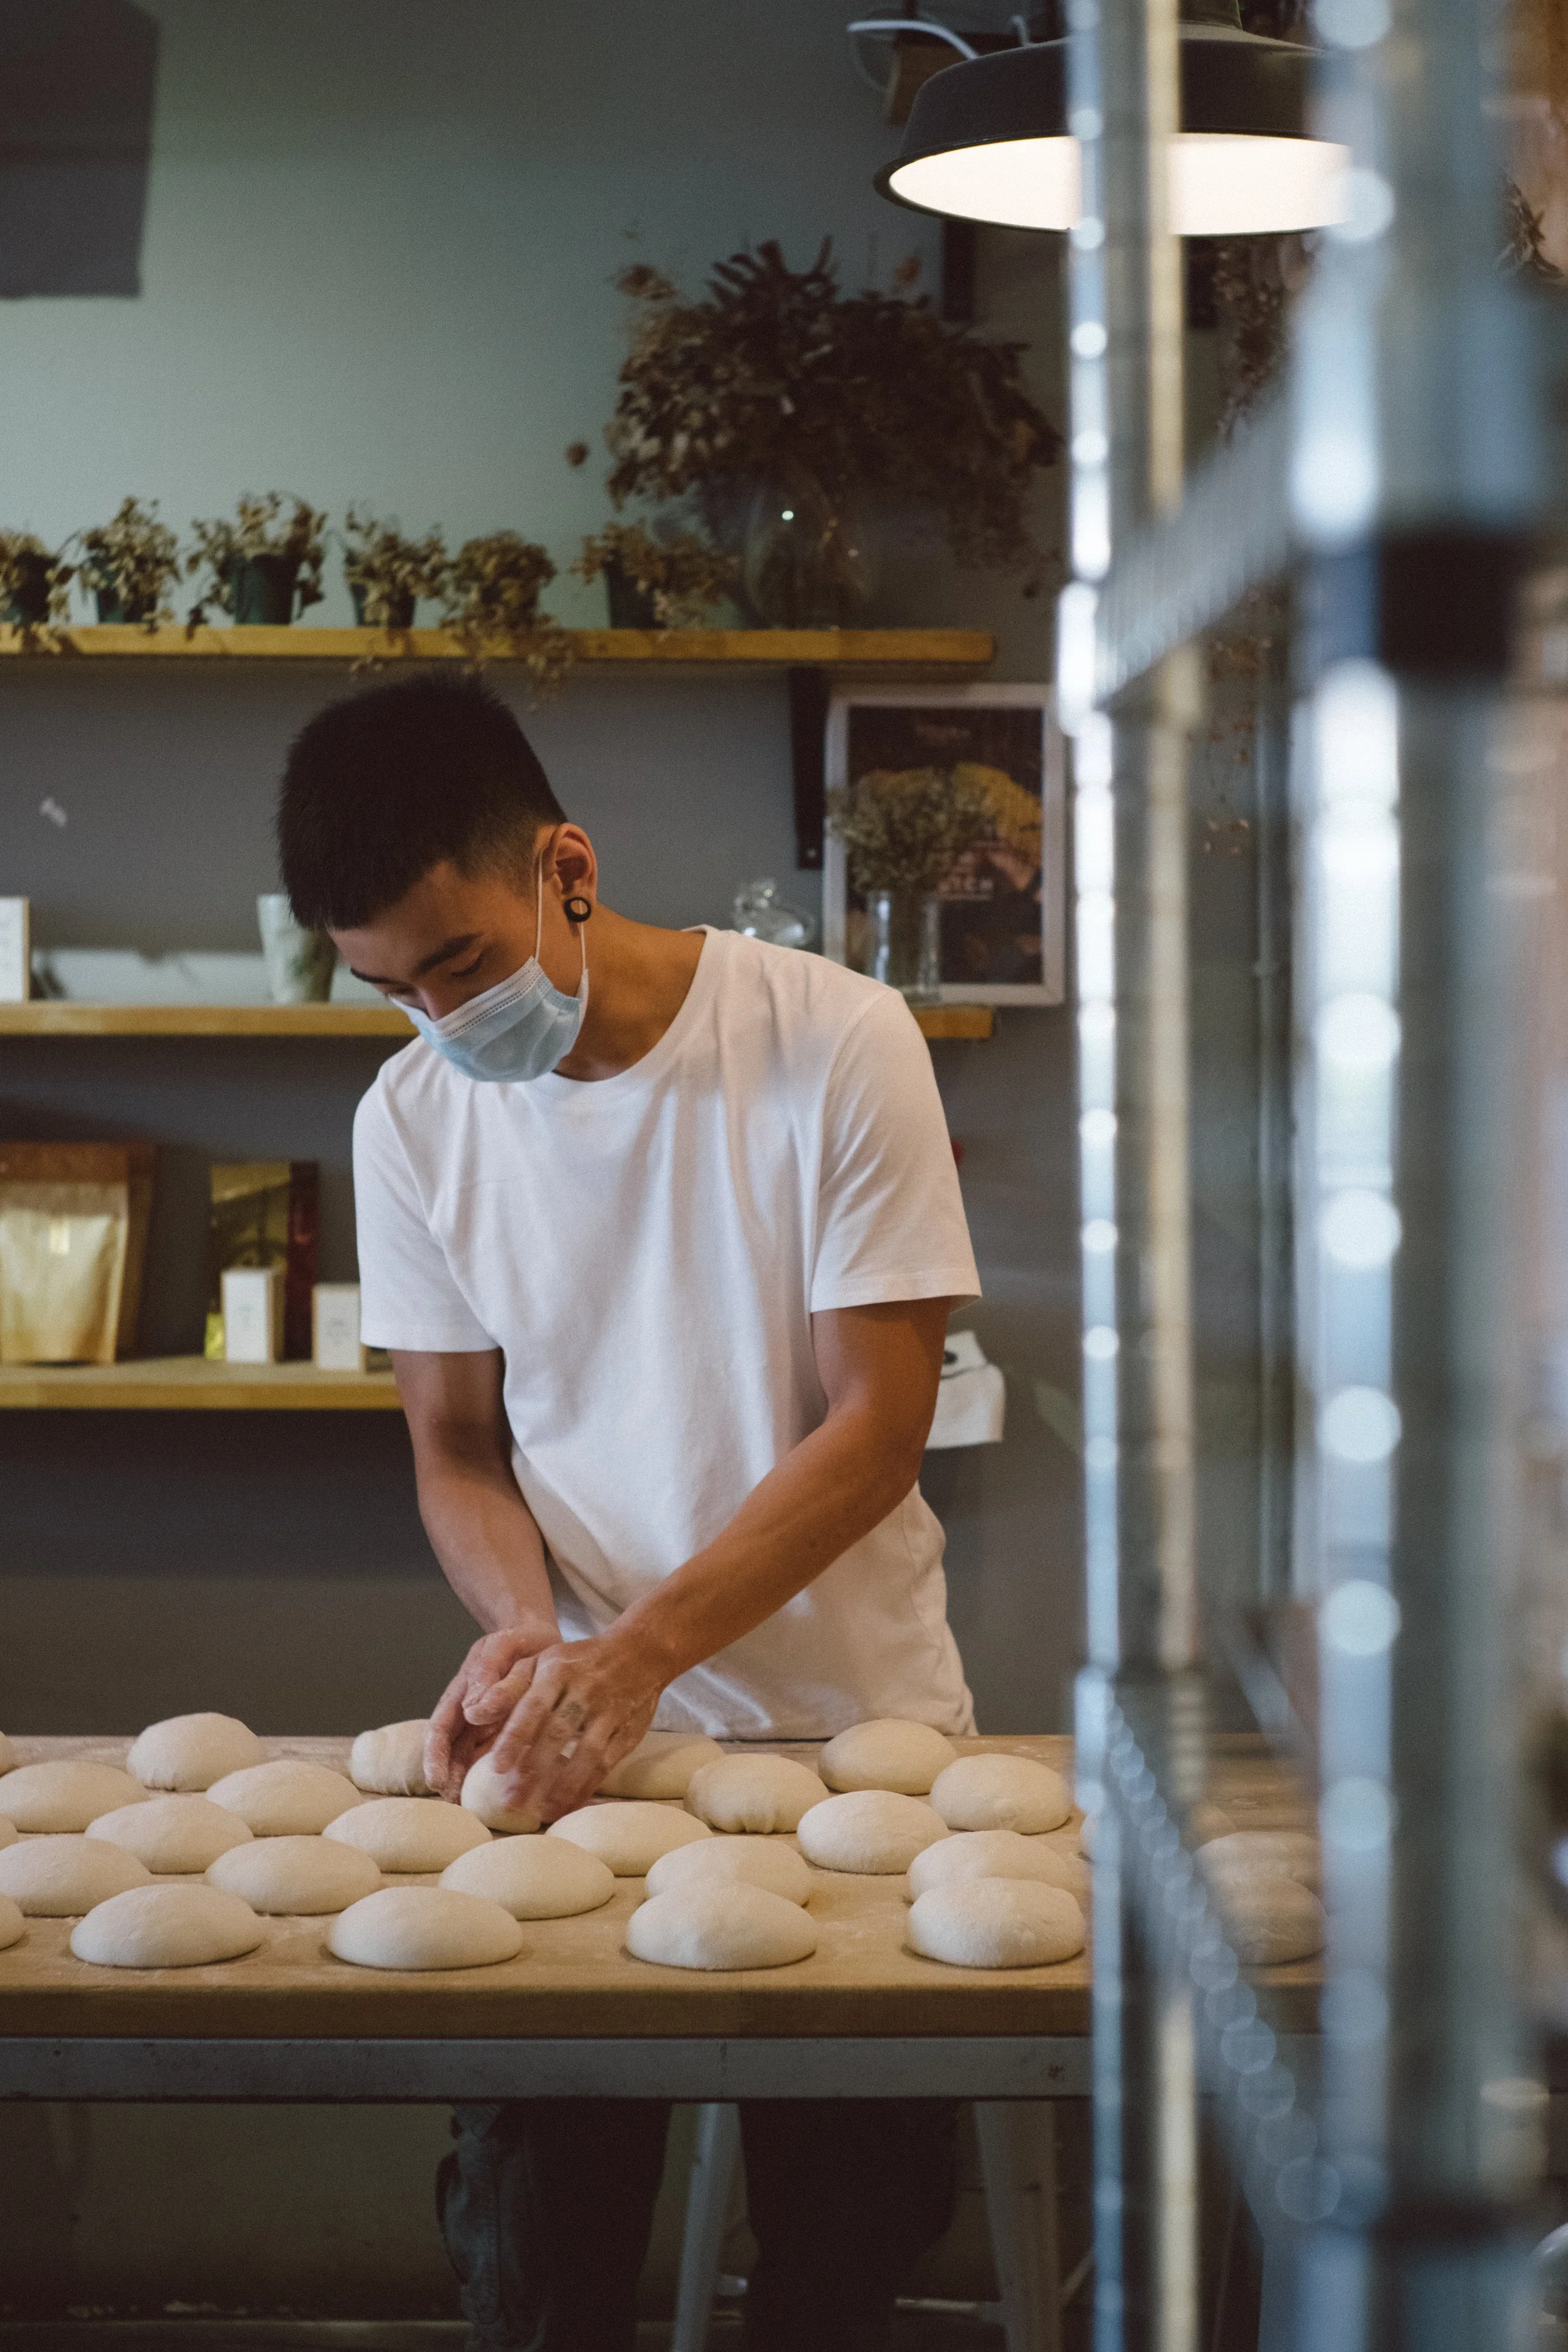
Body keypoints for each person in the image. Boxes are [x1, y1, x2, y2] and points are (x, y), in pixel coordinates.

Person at [277, 670, 982, 2352]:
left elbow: (876, 1424)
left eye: (459, 964)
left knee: (847, 2251)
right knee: (536, 2261)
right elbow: (454, 1441)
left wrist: (641, 1647)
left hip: (849, 1729)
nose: (440, 1023)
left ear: (565, 872)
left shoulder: (828, 1039)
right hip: (586, 1754)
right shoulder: (412, 1117)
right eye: (392, 991)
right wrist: (531, 1631)